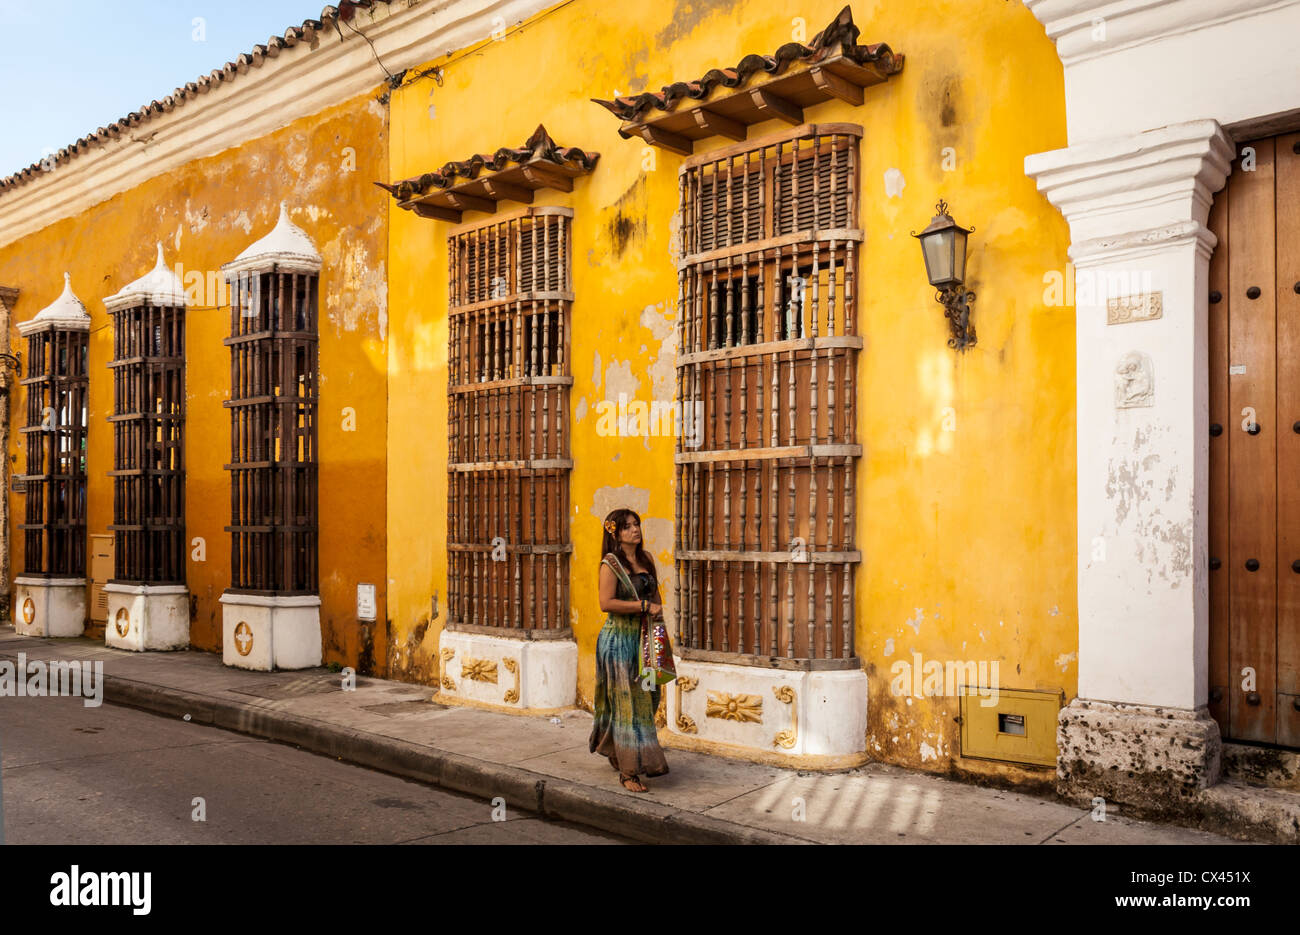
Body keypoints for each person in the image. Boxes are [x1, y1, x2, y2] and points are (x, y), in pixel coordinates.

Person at [589, 508, 669, 792]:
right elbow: (606, 603)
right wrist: (643, 607)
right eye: (627, 527)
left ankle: (617, 749)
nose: (635, 530)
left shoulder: (646, 559)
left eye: (636, 524)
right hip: (619, 642)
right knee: (626, 704)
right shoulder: (610, 565)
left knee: (649, 698)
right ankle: (629, 772)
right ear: (615, 533)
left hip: (645, 638)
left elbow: (656, 597)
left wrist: (659, 635)